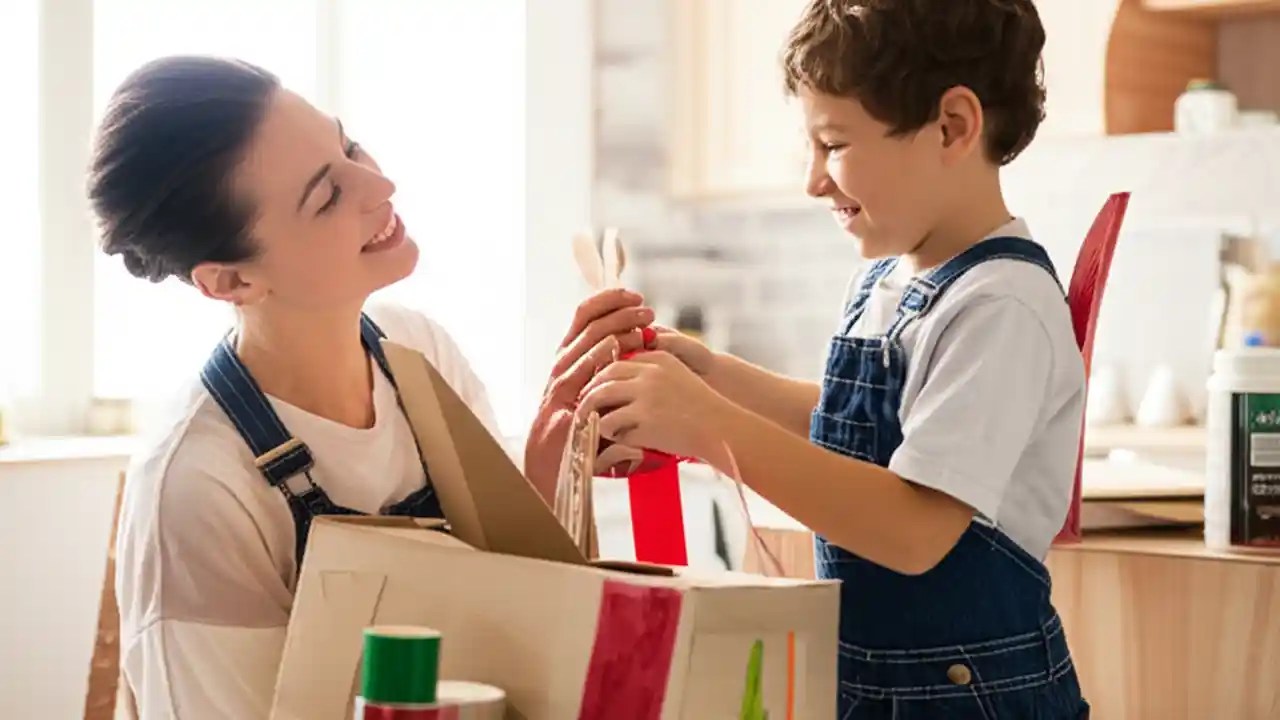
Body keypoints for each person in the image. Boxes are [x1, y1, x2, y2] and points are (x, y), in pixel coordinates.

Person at [88, 55, 652, 718]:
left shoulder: (419, 353)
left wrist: (551, 475)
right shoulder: (196, 486)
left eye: (349, 144)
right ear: (233, 282)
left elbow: (512, 637)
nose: (380, 183)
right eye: (327, 196)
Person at [577, 1, 1090, 717]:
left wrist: (706, 424)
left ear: (953, 127)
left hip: (971, 699)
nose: (814, 180)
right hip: (872, 689)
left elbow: (914, 529)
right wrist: (711, 377)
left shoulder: (1000, 304)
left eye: (835, 144)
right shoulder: (891, 277)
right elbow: (860, 434)